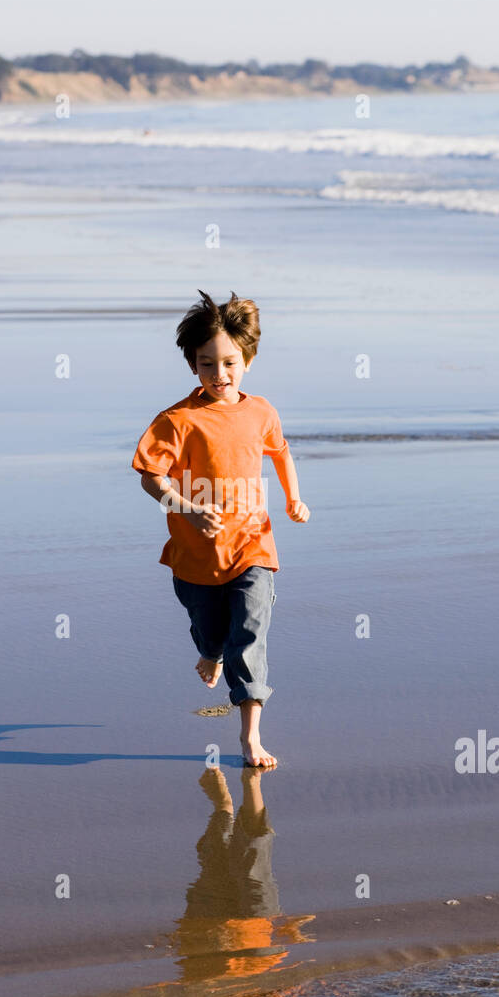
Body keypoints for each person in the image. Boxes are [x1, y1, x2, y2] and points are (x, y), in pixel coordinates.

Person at [132, 289, 310, 767]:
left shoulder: (261, 411)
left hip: (253, 545)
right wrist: (186, 508)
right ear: (193, 365)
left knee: (251, 634)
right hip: (196, 556)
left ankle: (250, 736)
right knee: (210, 632)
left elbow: (280, 451)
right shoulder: (178, 420)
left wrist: (293, 497)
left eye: (229, 363)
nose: (219, 374)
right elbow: (152, 476)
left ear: (247, 360)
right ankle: (209, 652)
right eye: (207, 364)